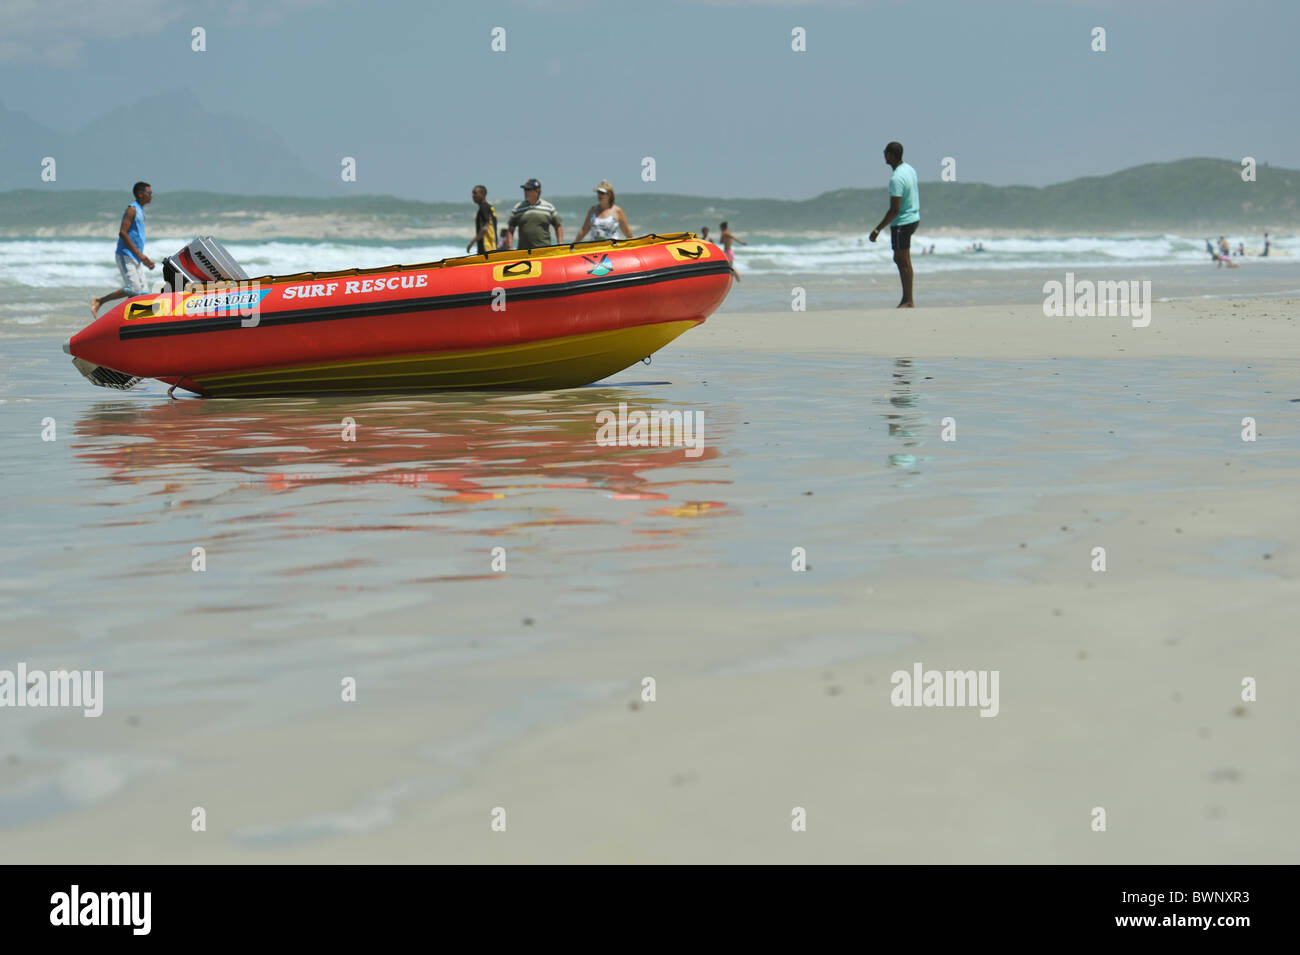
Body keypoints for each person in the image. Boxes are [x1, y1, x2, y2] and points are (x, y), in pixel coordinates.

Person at [90, 181, 154, 317]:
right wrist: (139, 254)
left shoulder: (141, 211)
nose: (152, 195)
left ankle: (134, 319)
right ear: (140, 194)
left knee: (144, 293)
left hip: (136, 256)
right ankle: (100, 301)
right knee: (134, 288)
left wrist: (143, 258)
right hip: (126, 255)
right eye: (149, 193)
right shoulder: (132, 209)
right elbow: (123, 232)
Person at [869, 141, 920, 307]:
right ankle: (907, 299)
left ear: (891, 155)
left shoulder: (896, 178)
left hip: (902, 223)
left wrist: (877, 229)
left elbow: (894, 209)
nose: (884, 155)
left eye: (885, 152)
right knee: (901, 259)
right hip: (913, 218)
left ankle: (908, 300)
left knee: (903, 261)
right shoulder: (909, 169)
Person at [505, 178, 563, 250]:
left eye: (528, 190)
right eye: (525, 190)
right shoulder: (518, 208)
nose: (525, 192)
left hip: (544, 251)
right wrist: (510, 247)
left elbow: (558, 226)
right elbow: (510, 229)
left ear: (537, 191)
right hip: (524, 252)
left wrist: (560, 245)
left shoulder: (548, 207)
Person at [466, 185, 498, 254]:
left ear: (483, 194)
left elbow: (485, 228)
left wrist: (471, 243)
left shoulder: (484, 207)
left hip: (486, 247)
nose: (473, 195)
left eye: (475, 193)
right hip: (492, 246)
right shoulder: (489, 207)